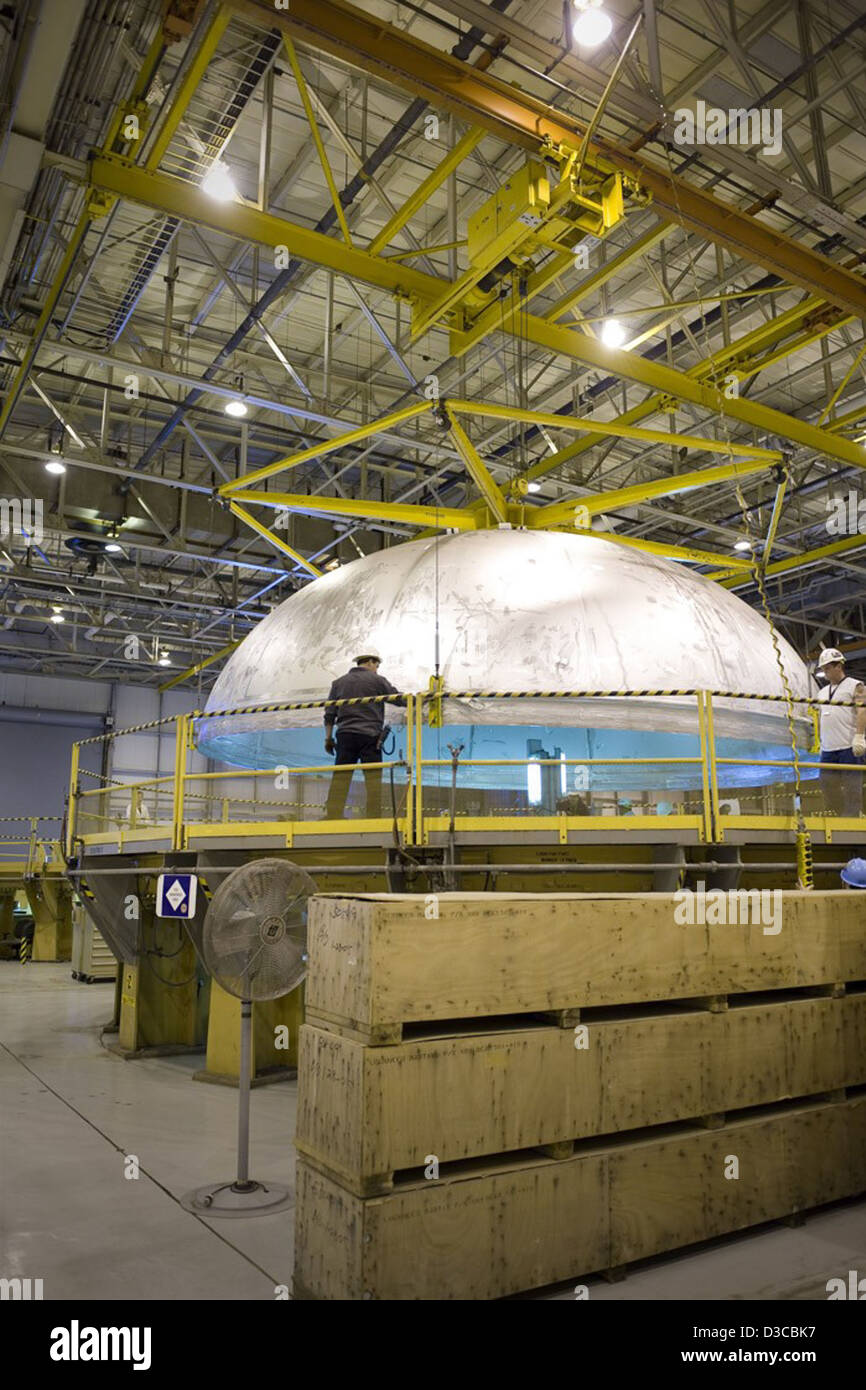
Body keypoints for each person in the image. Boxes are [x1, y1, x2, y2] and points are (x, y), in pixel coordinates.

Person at [323, 652, 403, 819]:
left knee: (341, 778)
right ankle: (373, 817)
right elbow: (399, 699)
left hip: (345, 736)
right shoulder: (378, 680)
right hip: (370, 736)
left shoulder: (338, 683)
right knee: (373, 780)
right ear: (371, 663)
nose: (377, 670)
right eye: (377, 666)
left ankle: (333, 815)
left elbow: (330, 713)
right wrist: (421, 699)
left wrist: (329, 739)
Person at [815, 648, 866, 817]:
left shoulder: (855, 686)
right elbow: (822, 718)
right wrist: (820, 743)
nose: (825, 673)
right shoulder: (822, 693)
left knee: (852, 787)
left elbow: (862, 711)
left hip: (848, 746)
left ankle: (851, 818)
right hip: (829, 748)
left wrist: (859, 736)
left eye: (828, 668)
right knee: (827, 785)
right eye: (823, 670)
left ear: (839, 666)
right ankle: (841, 815)